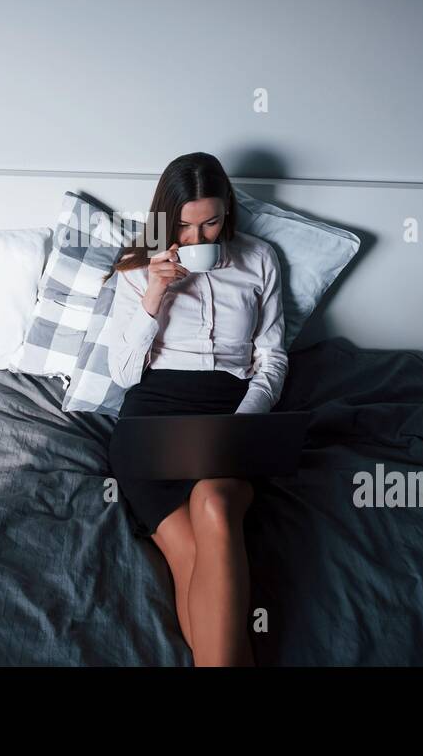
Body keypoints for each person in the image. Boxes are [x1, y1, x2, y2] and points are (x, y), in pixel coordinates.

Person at [104, 152, 287, 667]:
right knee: (189, 556)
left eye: (211, 222)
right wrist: (156, 291)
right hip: (153, 418)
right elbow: (123, 375)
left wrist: (242, 426)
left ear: (227, 211)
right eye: (185, 226)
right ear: (165, 218)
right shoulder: (139, 268)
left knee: (213, 503)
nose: (200, 239)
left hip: (231, 412)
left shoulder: (260, 259)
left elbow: (271, 358)